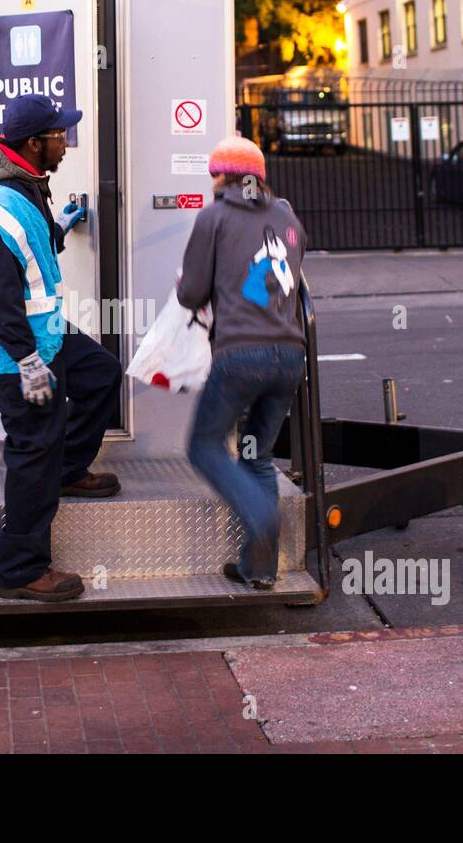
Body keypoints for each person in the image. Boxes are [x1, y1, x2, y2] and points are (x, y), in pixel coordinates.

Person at [0, 94, 123, 603]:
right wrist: (28, 363)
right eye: (60, 137)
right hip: (13, 349)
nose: (66, 144)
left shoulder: (26, 184)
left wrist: (63, 225)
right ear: (34, 143)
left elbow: (30, 244)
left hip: (40, 332)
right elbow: (0, 294)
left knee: (101, 373)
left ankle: (70, 471)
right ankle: (19, 569)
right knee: (34, 449)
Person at [177, 136, 307, 590]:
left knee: (203, 446)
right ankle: (260, 570)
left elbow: (191, 293)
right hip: (290, 355)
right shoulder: (286, 215)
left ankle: (261, 514)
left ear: (220, 175)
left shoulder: (213, 216)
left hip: (241, 355)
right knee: (257, 453)